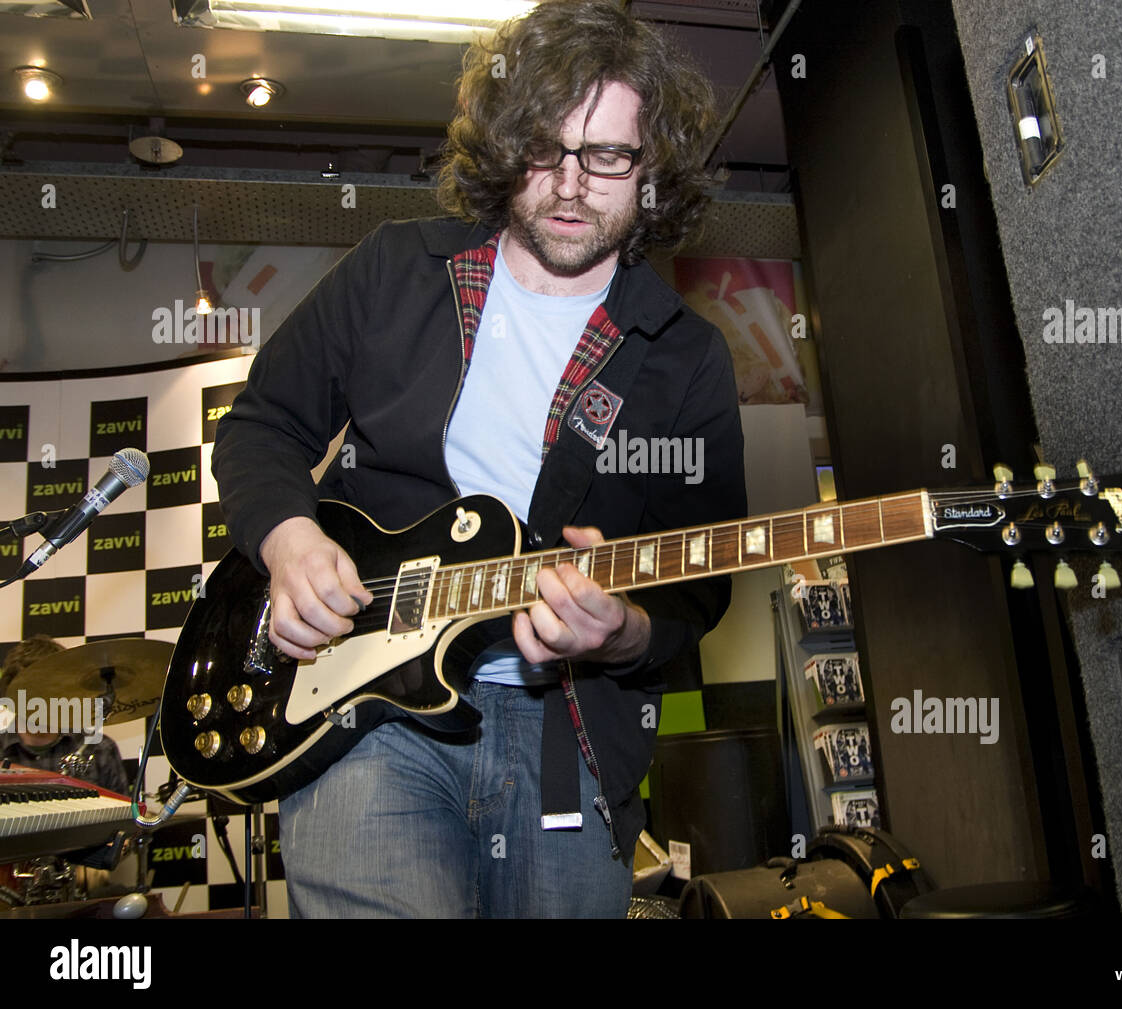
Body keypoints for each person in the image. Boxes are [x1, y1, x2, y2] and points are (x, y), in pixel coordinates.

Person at [211, 0, 747, 917]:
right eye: (545, 148)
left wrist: (621, 629)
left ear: (653, 166)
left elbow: (699, 582)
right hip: (365, 708)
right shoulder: (396, 270)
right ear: (504, 147)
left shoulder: (687, 356)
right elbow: (263, 423)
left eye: (607, 156)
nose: (571, 184)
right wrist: (290, 541)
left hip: (568, 734)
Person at [0, 635, 130, 797]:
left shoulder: (100, 750)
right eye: (29, 691)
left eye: (49, 690)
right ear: (9, 694)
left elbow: (124, 813)